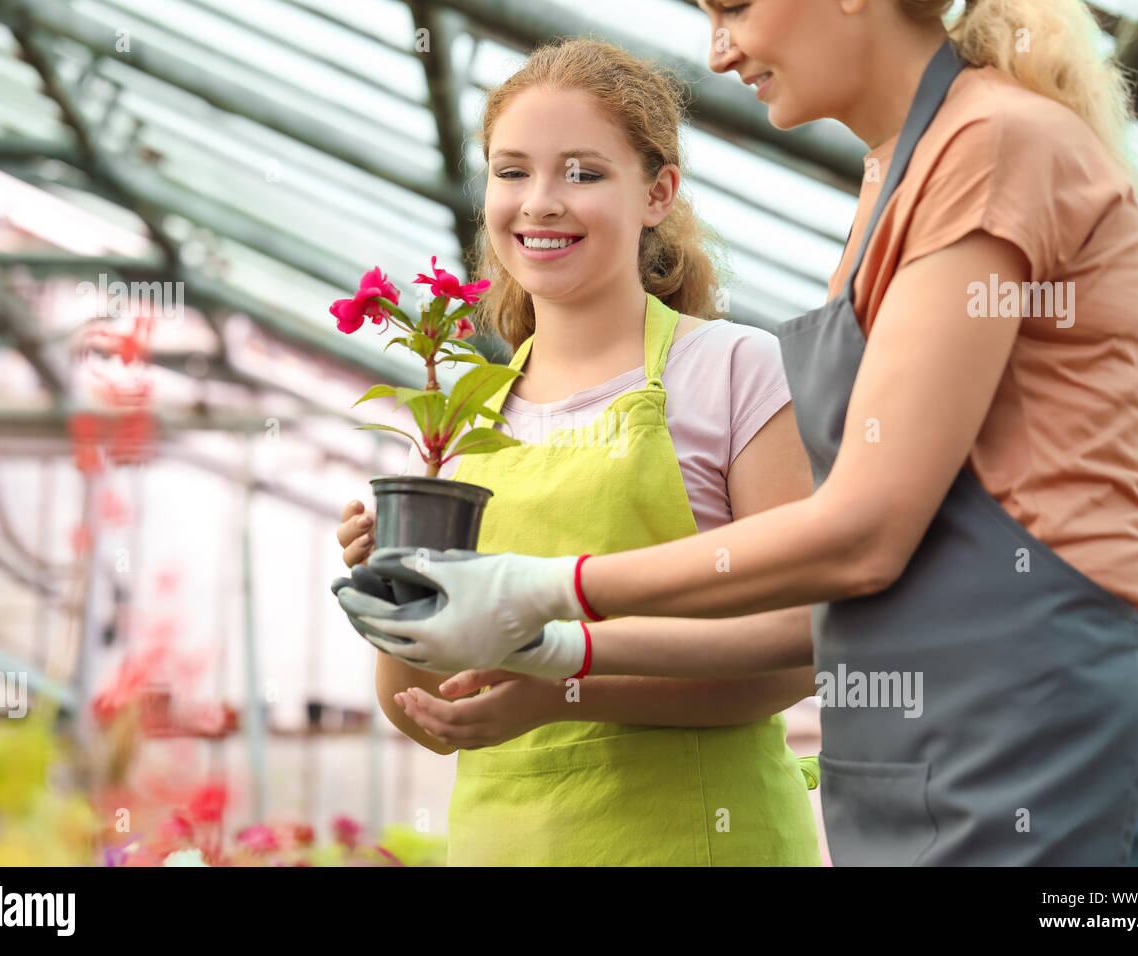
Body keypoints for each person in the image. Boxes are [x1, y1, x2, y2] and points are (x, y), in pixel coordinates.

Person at [337, 0, 1138, 866]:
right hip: (932, 756)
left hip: (1038, 746)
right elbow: (845, 590)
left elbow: (860, 540)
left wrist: (549, 604)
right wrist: (512, 632)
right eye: (511, 171)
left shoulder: (989, 148)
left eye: (737, 7)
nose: (717, 52)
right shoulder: (896, 175)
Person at [334, 36, 823, 866]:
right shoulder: (464, 418)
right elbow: (421, 712)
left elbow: (804, 647)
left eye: (584, 173)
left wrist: (563, 695)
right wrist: (394, 597)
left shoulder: (734, 369)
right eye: (513, 171)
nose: (541, 202)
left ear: (658, 193)